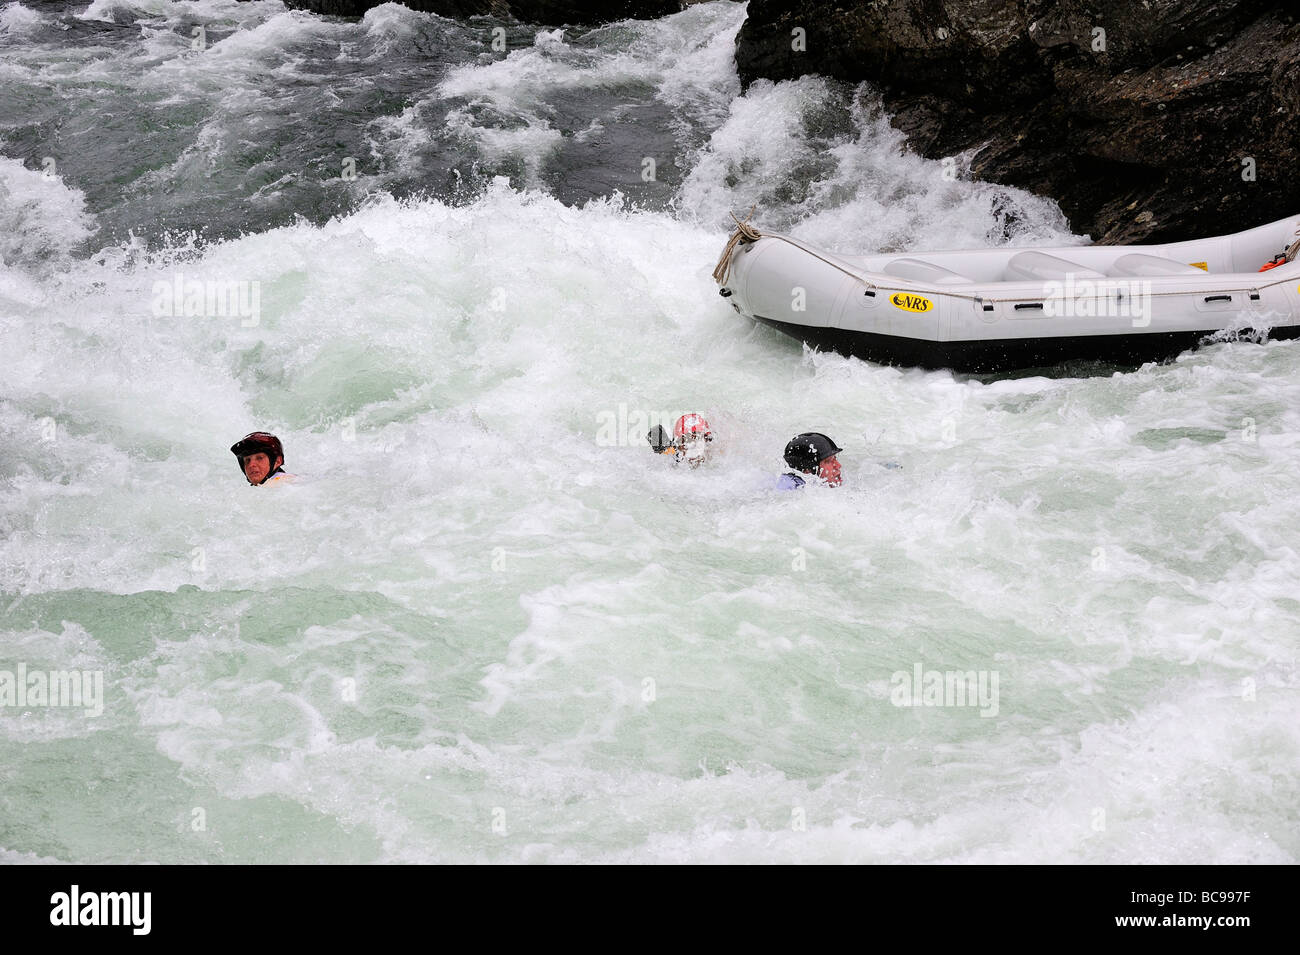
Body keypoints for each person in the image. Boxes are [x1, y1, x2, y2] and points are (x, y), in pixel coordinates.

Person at [777, 432, 843, 489]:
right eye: (828, 461)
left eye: (835, 459)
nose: (838, 465)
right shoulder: (793, 489)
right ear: (808, 471)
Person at [646, 414, 715, 468]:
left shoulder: (713, 454)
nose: (692, 446)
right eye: (685, 441)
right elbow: (654, 432)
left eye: (697, 440)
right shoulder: (673, 453)